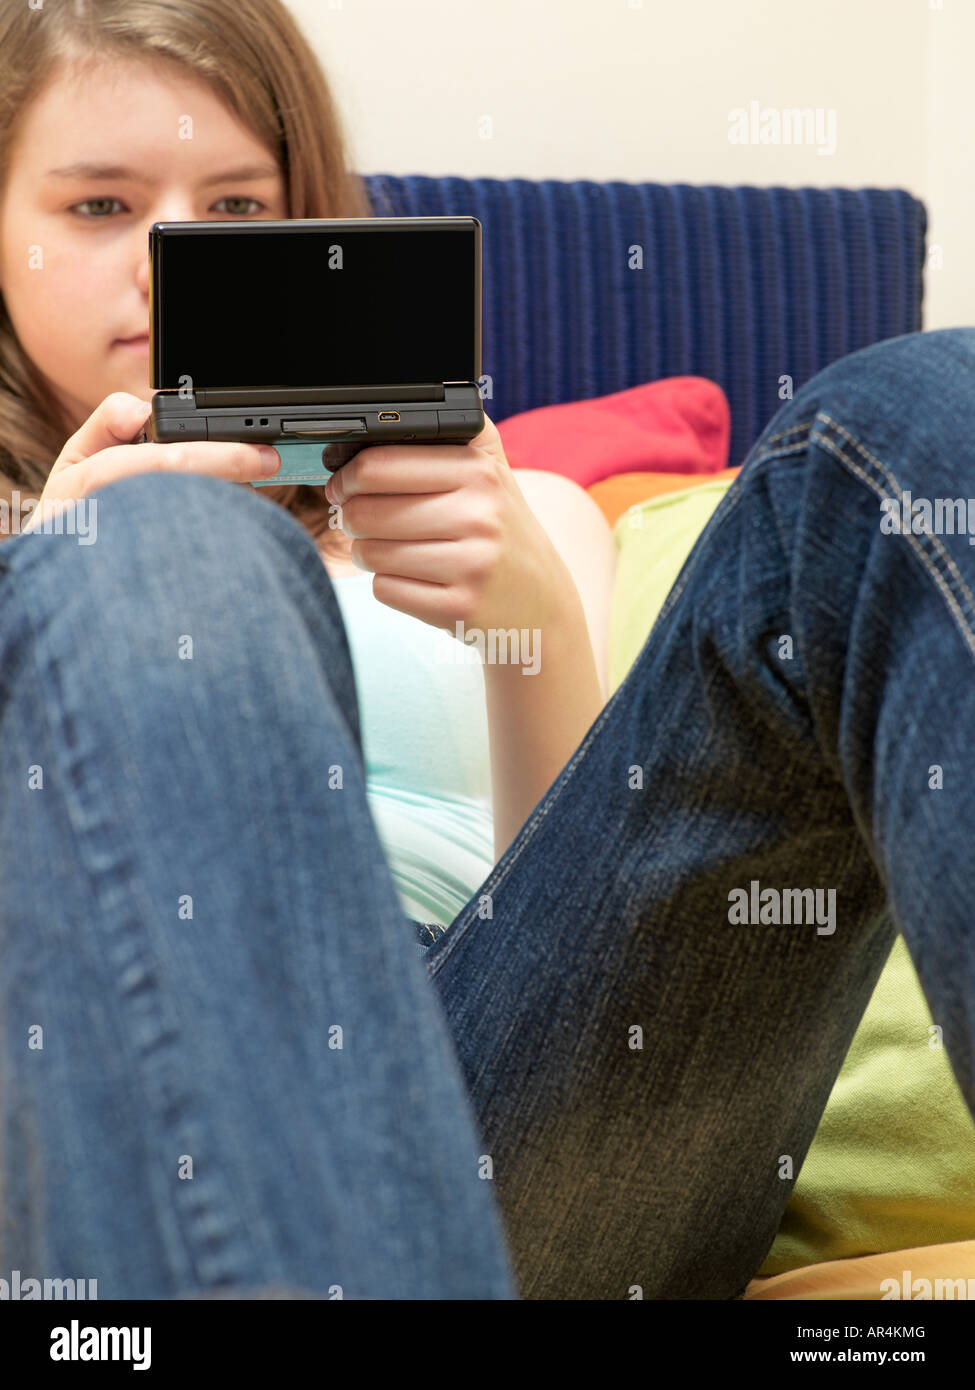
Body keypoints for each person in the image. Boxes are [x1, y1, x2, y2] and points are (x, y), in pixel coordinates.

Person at [0, 0, 972, 1301]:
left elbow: (610, 906)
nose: (170, 260)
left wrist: (522, 608)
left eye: (234, 211)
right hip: (149, 1120)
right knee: (174, 547)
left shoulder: (537, 518)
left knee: (914, 407)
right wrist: (48, 592)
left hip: (523, 1112)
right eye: (100, 207)